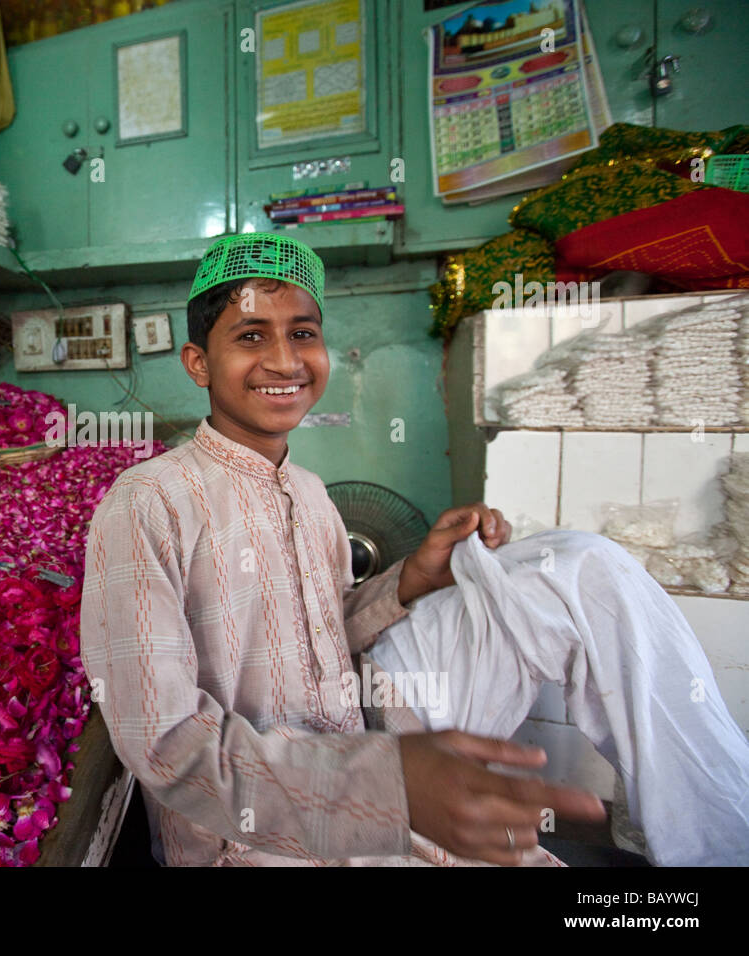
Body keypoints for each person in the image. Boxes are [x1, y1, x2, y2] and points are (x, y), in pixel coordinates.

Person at [78, 232, 749, 866]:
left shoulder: (309, 493)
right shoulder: (147, 502)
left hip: (357, 722)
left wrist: (412, 578)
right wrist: (385, 787)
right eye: (251, 336)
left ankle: (720, 846)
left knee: (579, 566)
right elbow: (165, 744)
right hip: (255, 829)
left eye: (302, 334)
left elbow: (323, 629)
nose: (284, 360)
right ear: (199, 362)